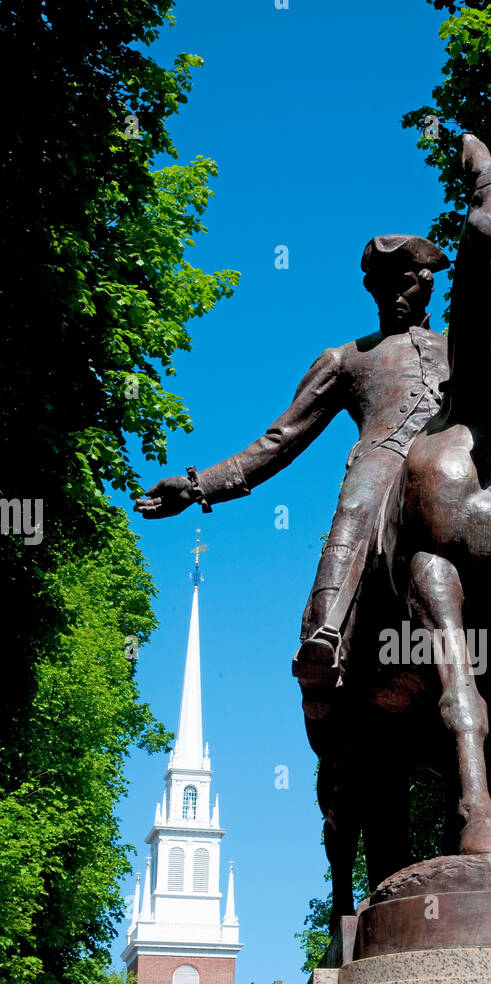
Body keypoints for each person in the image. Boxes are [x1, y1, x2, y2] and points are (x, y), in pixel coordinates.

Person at [135, 234, 450, 715]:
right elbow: (281, 440)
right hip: (384, 458)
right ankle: (326, 634)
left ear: (427, 286)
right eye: (382, 289)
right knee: (359, 502)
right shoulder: (345, 359)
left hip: (453, 467)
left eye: (405, 286)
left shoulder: (462, 354)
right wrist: (199, 485)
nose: (394, 298)